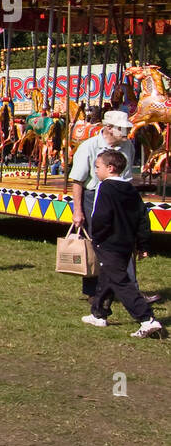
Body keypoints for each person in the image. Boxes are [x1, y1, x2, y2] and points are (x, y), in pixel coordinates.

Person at [82, 150, 162, 337]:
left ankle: (147, 319)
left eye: (98, 167)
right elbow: (143, 218)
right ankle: (99, 314)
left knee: (120, 281)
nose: (96, 171)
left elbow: (101, 216)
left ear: (110, 168)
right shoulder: (131, 189)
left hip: (109, 243)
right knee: (108, 276)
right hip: (127, 244)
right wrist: (143, 244)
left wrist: (97, 237)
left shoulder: (105, 187)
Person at [70, 110, 139, 303]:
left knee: (121, 243)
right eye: (121, 129)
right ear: (108, 128)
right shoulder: (89, 147)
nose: (125, 133)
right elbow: (77, 180)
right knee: (96, 243)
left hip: (118, 197)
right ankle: (94, 291)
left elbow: (126, 179)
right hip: (94, 197)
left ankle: (125, 287)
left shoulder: (127, 147)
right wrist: (78, 210)